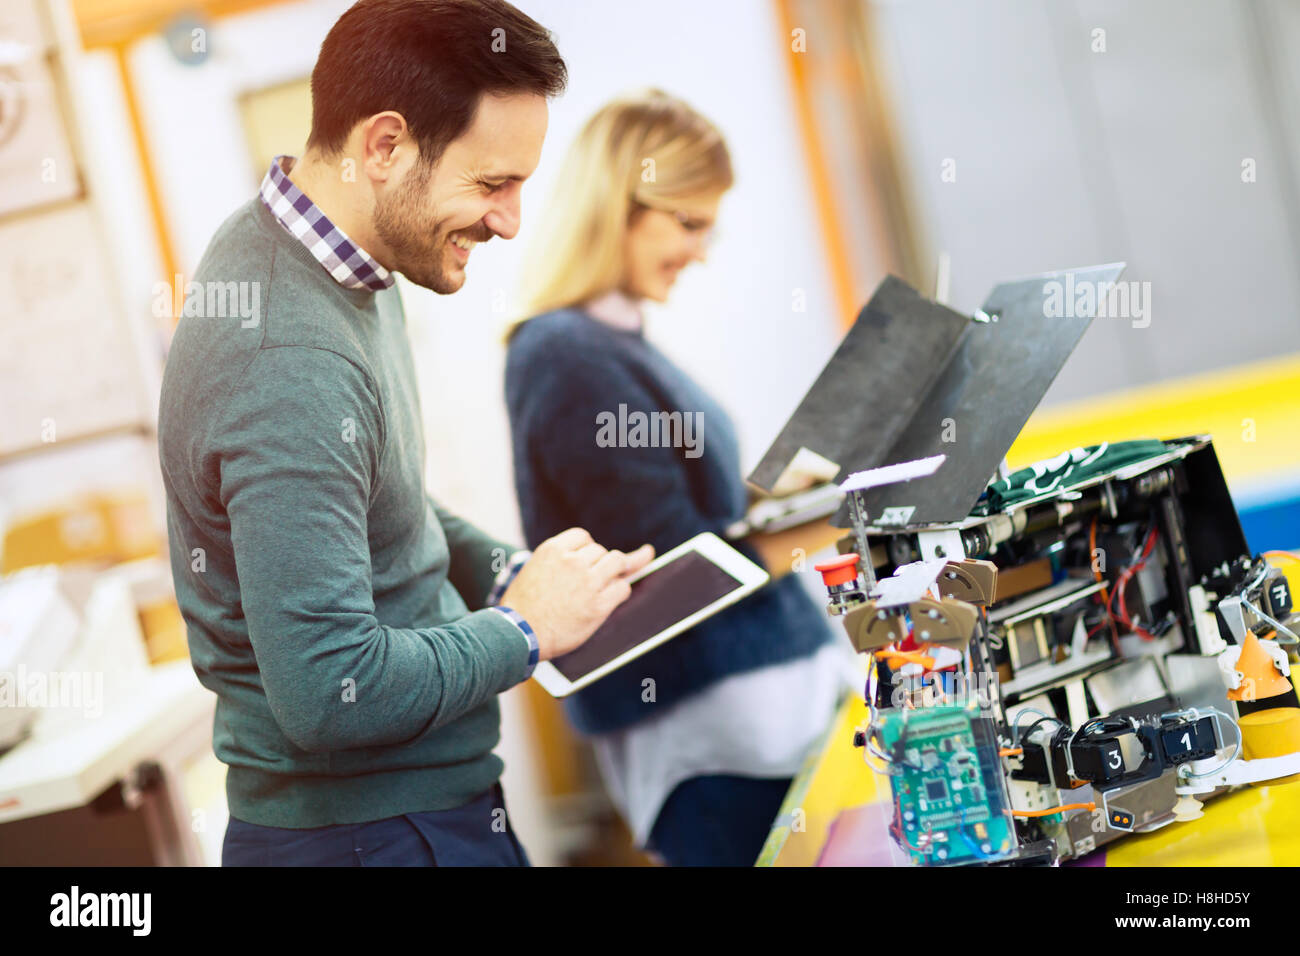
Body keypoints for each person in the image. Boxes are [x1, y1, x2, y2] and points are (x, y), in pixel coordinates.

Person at [157, 0, 653, 867]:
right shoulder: (285, 354)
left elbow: (380, 503)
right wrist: (525, 631)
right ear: (384, 147)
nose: (510, 221)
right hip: (369, 837)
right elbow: (326, 692)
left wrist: (513, 575)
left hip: (409, 818)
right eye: (491, 184)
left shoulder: (333, 263)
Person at [505, 90, 858, 867]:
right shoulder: (563, 354)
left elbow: (691, 512)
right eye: (688, 224)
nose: (700, 252)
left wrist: (776, 500)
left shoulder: (617, 343)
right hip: (716, 739)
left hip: (763, 718)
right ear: (616, 207)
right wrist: (820, 522)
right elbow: (671, 571)